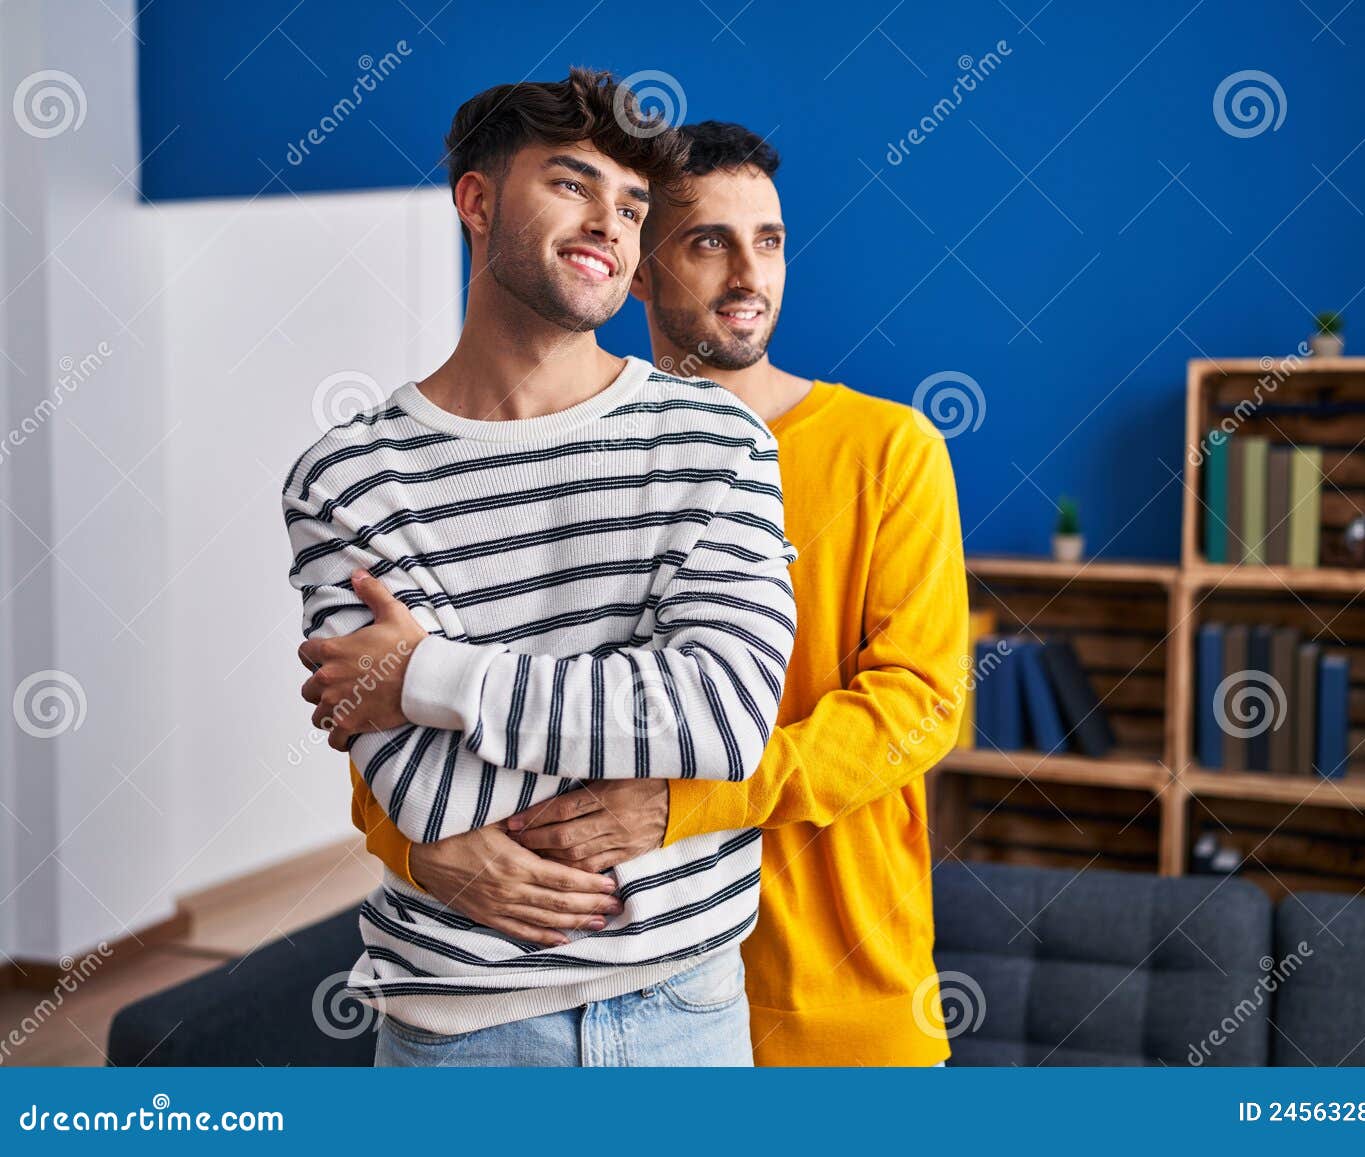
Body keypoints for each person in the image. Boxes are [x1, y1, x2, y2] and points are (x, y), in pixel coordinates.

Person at [351, 120, 969, 1066]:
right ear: (635, 266)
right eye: (709, 241)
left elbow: (921, 708)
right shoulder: (532, 452)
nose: (749, 276)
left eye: (769, 241)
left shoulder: (891, 451)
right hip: (582, 986)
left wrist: (684, 801)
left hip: (833, 994)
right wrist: (418, 849)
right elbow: (386, 693)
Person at [284, 74, 797, 1067]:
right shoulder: (347, 476)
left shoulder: (713, 440)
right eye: (573, 184)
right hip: (459, 1036)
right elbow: (432, 800)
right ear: (475, 200)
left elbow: (727, 715)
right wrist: (629, 714)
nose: (610, 219)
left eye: (634, 205)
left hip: (687, 1019)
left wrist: (431, 673)